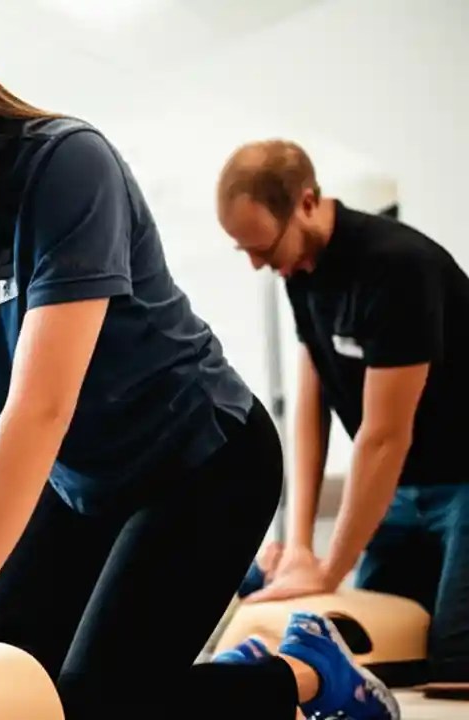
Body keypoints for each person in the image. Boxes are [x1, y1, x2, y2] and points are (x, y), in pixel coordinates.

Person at [0, 2, 400, 718]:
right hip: (79, 482)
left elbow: (40, 407)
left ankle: (309, 673)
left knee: (94, 704)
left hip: (204, 461)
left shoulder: (64, 164)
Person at [217, 138, 469, 685]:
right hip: (403, 489)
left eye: (263, 246)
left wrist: (331, 569)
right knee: (378, 658)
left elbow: (384, 436)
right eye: (246, 251)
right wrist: (303, 546)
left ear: (306, 203)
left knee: (453, 665)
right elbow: (312, 410)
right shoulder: (302, 272)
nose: (259, 264)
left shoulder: (397, 267)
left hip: (461, 481)